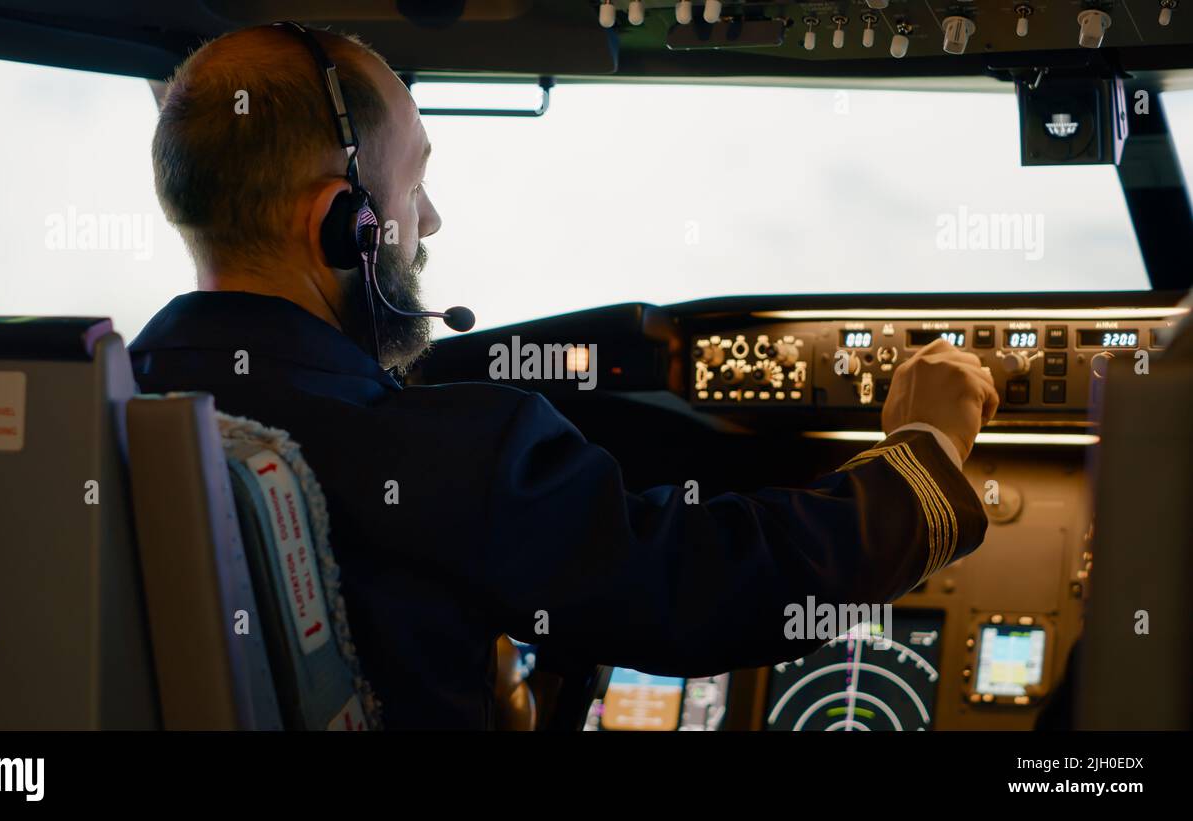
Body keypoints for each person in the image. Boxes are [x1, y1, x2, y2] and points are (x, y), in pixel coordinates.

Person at [130, 24, 1000, 729]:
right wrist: (924, 451)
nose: (428, 220)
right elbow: (704, 582)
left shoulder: (108, 419)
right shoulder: (451, 452)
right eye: (414, 186)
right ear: (343, 225)